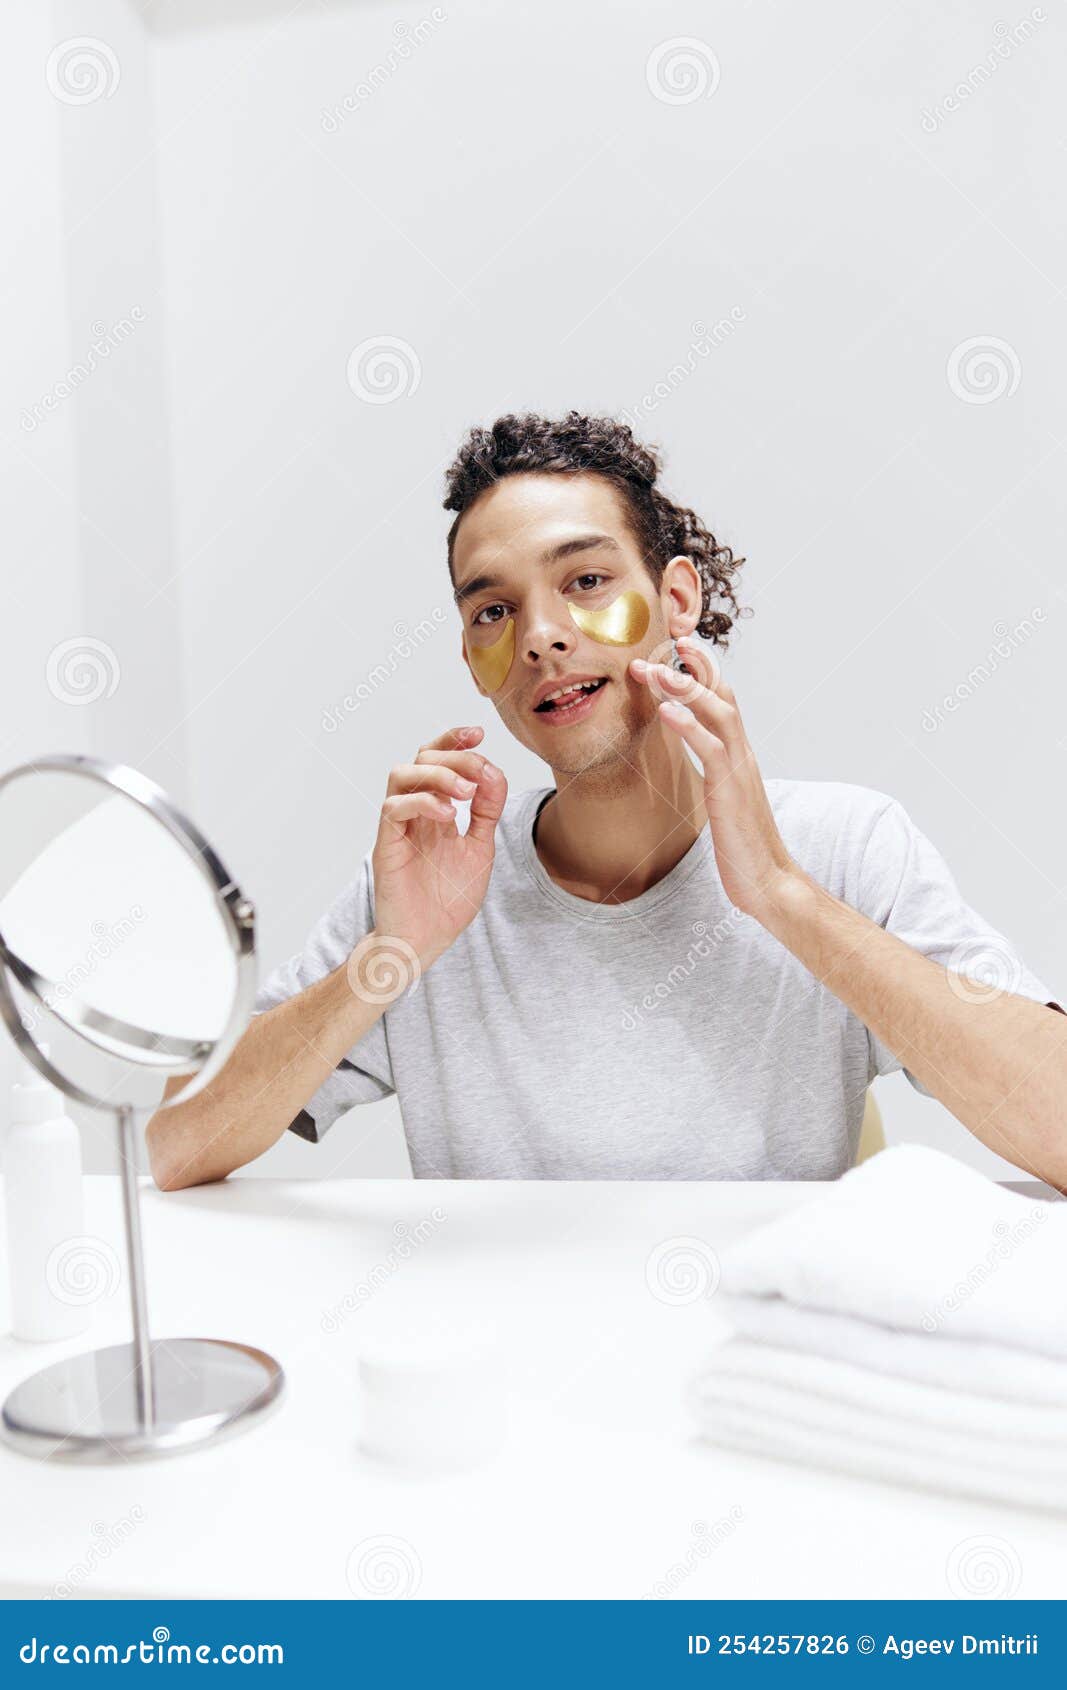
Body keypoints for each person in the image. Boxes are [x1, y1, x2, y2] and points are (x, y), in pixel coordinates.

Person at [147, 413, 1065, 1191]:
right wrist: (392, 954)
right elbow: (177, 1145)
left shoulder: (847, 846)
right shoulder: (431, 881)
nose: (541, 636)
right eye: (492, 611)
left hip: (746, 1374)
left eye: (584, 581)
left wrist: (782, 896)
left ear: (675, 601)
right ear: (474, 662)